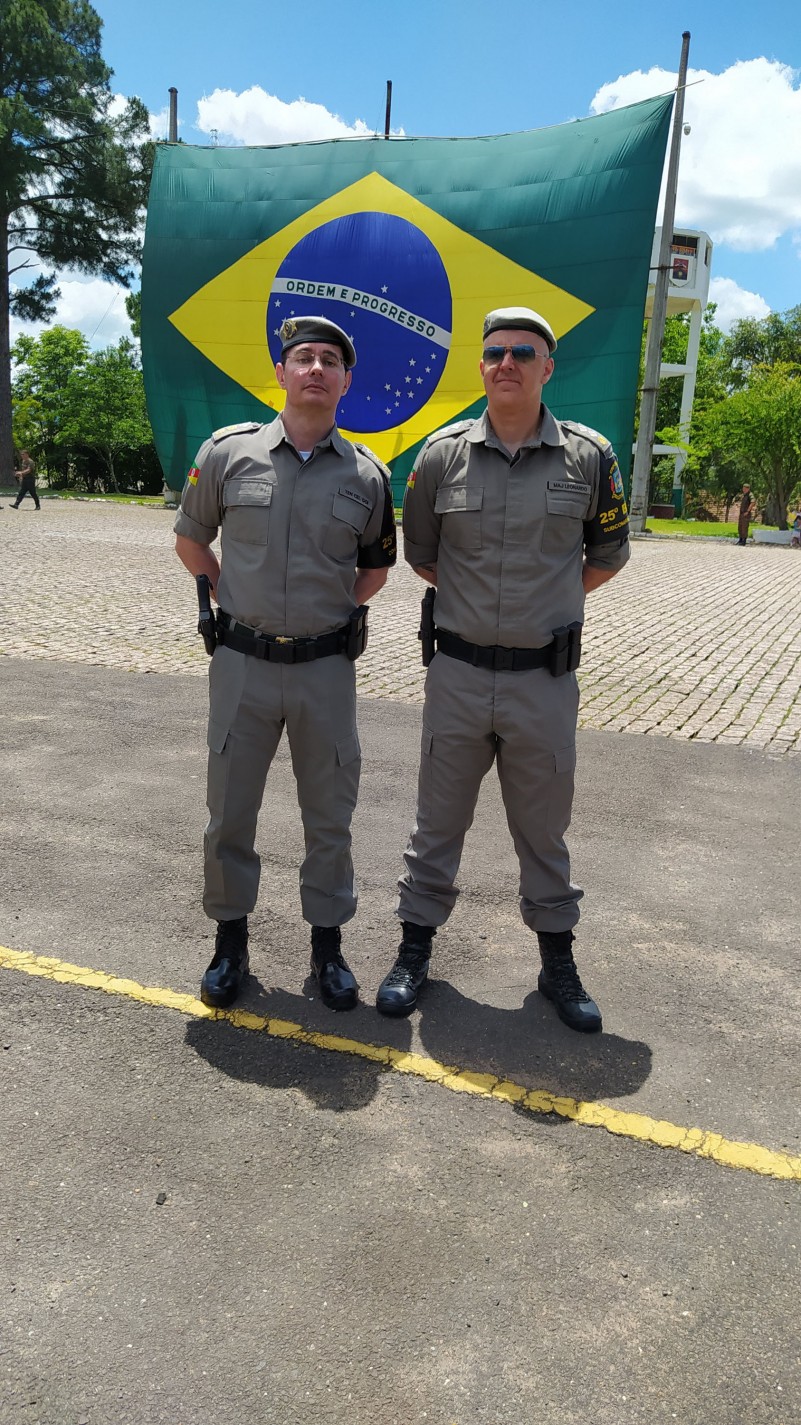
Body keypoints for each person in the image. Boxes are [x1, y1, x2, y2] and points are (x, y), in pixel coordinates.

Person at [376, 307, 630, 1033]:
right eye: (494, 353)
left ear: (548, 368)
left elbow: (605, 556)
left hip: (542, 682)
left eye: (524, 351)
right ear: (480, 367)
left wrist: (544, 602)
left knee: (543, 829)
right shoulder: (438, 456)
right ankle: (412, 952)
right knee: (435, 824)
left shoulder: (589, 456)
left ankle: (557, 963)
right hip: (455, 676)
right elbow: (422, 554)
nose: (507, 362)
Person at [174, 316, 397, 1012]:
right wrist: (231, 598)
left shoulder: (367, 474)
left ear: (345, 382)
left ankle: (327, 949)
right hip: (241, 662)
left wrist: (323, 614)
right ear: (282, 372)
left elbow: (374, 569)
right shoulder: (226, 454)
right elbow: (190, 542)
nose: (316, 369)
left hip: (325, 670)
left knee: (329, 813)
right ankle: (229, 943)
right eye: (303, 357)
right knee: (228, 813)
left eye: (330, 361)